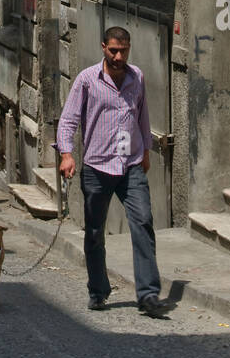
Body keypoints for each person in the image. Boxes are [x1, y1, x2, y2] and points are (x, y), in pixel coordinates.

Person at [57, 26, 168, 318]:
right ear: (103, 47)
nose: (119, 56)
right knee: (94, 231)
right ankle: (98, 290)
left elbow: (142, 115)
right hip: (97, 166)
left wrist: (145, 151)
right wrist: (67, 155)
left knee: (143, 221)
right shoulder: (87, 80)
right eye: (113, 51)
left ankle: (148, 294)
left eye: (124, 51)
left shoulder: (137, 78)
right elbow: (69, 120)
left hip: (130, 164)